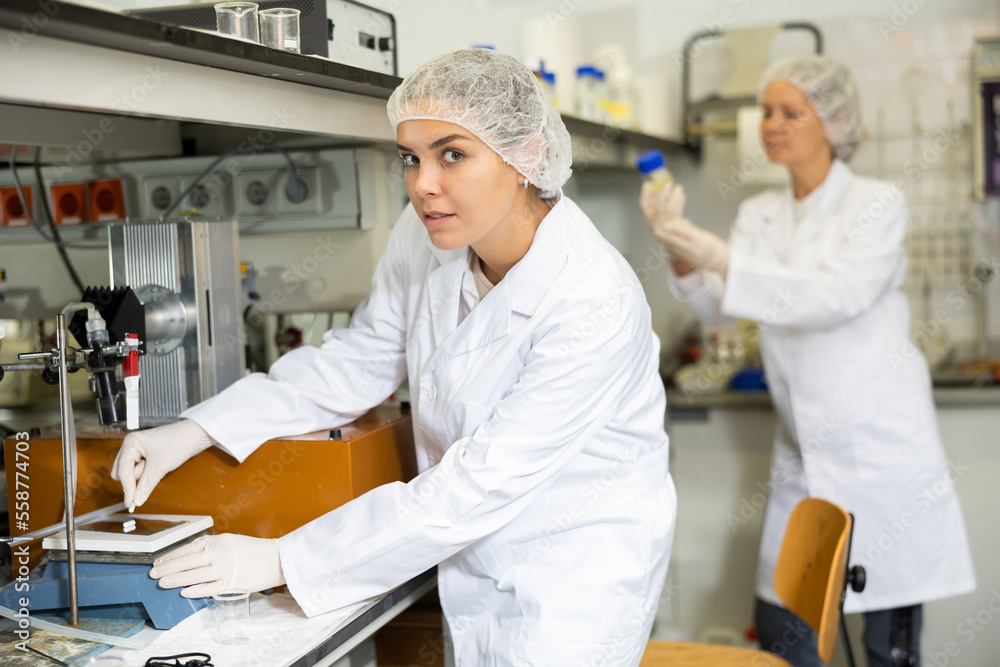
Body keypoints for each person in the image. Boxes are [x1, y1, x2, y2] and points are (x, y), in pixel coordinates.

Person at [112, 48, 676, 666]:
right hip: (472, 549)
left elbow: (478, 485)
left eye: (452, 154)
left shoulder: (593, 298)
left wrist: (281, 559)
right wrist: (196, 429)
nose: (422, 184)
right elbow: (359, 361)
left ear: (529, 157)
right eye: (410, 158)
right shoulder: (429, 230)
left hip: (573, 572)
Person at [639, 55, 975, 666]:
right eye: (767, 111)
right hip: (802, 451)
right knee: (783, 626)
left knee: (886, 646)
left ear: (833, 123)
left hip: (880, 453)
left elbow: (832, 296)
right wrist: (684, 253)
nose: (773, 124)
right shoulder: (760, 213)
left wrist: (718, 256)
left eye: (791, 112)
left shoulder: (877, 203)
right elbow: (722, 306)